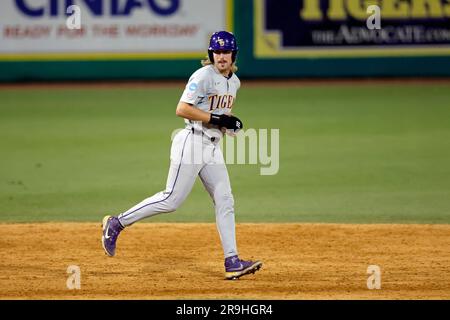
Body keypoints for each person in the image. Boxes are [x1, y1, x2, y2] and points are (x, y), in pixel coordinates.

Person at [101, 31, 262, 280]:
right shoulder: (202, 76)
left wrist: (228, 126)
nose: (221, 56)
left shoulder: (235, 82)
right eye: (217, 52)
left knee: (225, 200)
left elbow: (218, 115)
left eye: (225, 51)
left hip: (212, 147)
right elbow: (182, 109)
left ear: (233, 54)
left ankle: (232, 261)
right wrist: (217, 119)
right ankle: (117, 223)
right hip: (191, 141)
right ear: (211, 54)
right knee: (171, 200)